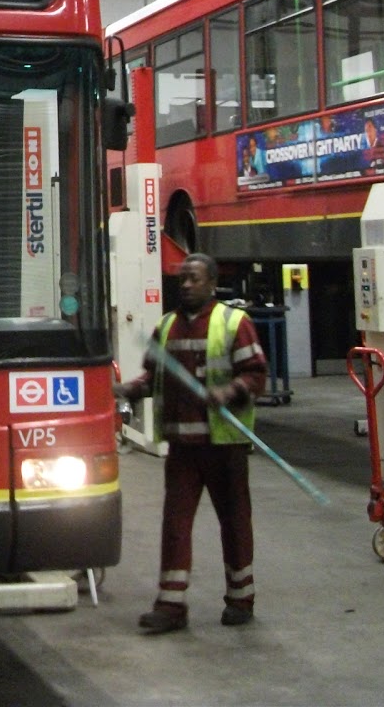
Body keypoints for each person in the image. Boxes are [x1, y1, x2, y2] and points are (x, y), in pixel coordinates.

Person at [114, 252, 268, 634]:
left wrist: (230, 389)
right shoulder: (166, 326)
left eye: (194, 279)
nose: (185, 285)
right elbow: (153, 377)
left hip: (224, 447)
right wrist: (127, 390)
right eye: (182, 278)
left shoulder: (235, 323)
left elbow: (255, 374)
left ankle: (240, 597)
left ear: (212, 283)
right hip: (182, 449)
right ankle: (170, 605)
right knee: (176, 525)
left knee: (234, 522)